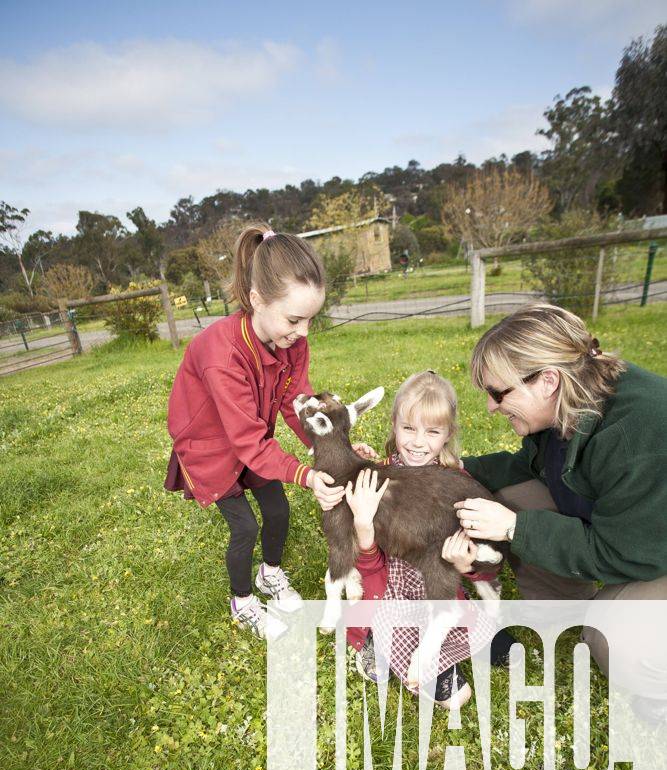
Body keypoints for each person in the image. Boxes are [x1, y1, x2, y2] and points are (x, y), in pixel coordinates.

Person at [455, 303, 667, 721]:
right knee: (513, 496)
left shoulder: (634, 437)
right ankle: (566, 608)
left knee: (614, 637)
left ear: (547, 380)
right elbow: (533, 470)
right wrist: (458, 467)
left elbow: (625, 553)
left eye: (499, 393)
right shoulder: (571, 403)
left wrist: (517, 528)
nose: (490, 407)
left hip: (646, 551)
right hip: (637, 538)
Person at [164, 223, 350, 638]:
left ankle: (270, 574)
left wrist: (334, 447)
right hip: (210, 448)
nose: (303, 333)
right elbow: (246, 440)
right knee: (245, 527)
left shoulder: (291, 341)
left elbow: (294, 402)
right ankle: (243, 600)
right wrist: (305, 474)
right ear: (256, 300)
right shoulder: (222, 354)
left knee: (278, 509)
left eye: (309, 321)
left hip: (252, 440)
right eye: (294, 319)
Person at [343, 371, 501, 710]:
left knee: (463, 615)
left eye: (432, 432)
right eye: (408, 429)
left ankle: (451, 645)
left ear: (448, 435)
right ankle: (384, 645)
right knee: (455, 696)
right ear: (394, 425)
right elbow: (364, 561)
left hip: (438, 593)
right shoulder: (378, 477)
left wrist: (466, 564)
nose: (418, 442)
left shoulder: (457, 485)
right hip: (390, 593)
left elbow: (488, 564)